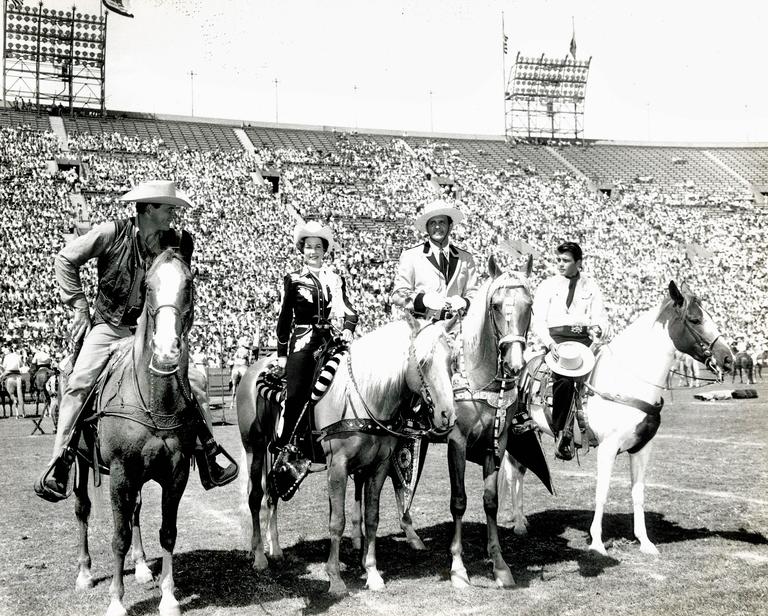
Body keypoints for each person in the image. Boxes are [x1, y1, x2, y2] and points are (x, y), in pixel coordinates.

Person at [34, 180, 237, 502]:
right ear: (149, 209)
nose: (174, 213)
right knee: (78, 383)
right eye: (168, 208)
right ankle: (60, 462)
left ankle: (208, 454)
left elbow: (182, 287)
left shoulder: (181, 241)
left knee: (195, 382)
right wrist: (79, 306)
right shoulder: (111, 233)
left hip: (154, 331)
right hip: (110, 326)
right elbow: (66, 259)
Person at [270, 220, 359, 489]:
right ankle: (288, 443)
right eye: (308, 247)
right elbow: (285, 319)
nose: (313, 251)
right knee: (297, 392)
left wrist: (348, 328)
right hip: (302, 340)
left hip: (329, 338)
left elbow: (349, 309)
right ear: (302, 250)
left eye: (318, 247)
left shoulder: (335, 278)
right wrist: (282, 353)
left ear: (325, 250)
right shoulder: (294, 279)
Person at [532, 241, 609, 460]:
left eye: (566, 260)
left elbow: (601, 318)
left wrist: (598, 330)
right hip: (557, 343)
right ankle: (561, 433)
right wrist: (550, 344)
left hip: (585, 343)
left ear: (579, 263)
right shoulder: (548, 285)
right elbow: (538, 320)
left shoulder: (591, 286)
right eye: (559, 259)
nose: (560, 264)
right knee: (564, 380)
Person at [391, 198, 479, 319]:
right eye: (433, 223)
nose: (437, 226)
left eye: (442, 222)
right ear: (427, 228)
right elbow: (398, 294)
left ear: (450, 226)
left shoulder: (465, 258)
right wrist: (422, 300)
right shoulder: (411, 256)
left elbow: (474, 293)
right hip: (423, 326)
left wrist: (465, 302)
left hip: (457, 327)